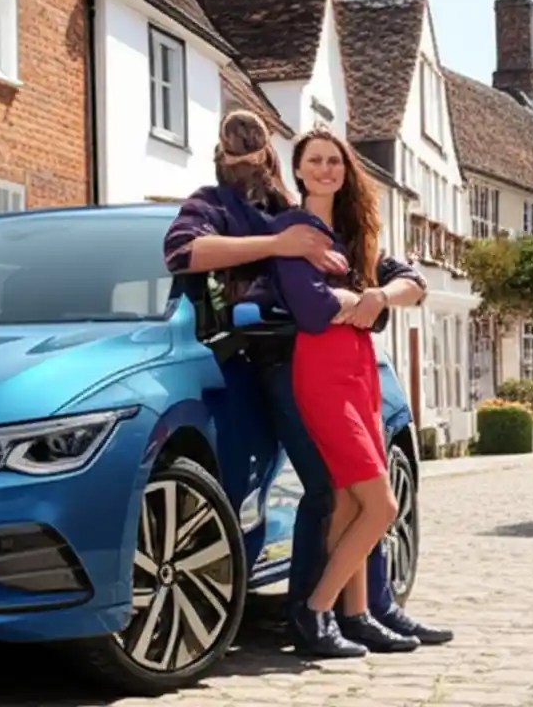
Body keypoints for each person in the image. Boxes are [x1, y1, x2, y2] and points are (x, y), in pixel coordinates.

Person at [163, 112, 453, 658]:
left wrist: (382, 295)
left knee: (353, 490)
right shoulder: (215, 205)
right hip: (271, 362)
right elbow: (183, 252)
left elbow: (389, 272)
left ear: (274, 159)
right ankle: (312, 614)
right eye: (232, 152)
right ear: (218, 158)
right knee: (333, 487)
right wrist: (281, 247)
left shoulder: (292, 209)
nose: (245, 160)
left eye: (256, 151)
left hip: (342, 361)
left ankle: (369, 608)